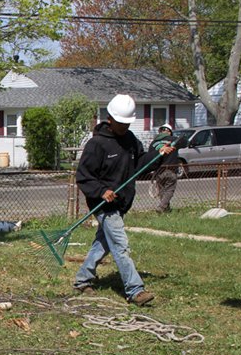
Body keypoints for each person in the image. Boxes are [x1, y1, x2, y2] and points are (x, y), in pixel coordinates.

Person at [72, 94, 173, 306]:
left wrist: (160, 155)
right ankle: (135, 290)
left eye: (128, 123)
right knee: (120, 245)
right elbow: (83, 176)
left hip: (123, 201)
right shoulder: (96, 144)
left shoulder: (130, 141)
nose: (124, 127)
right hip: (104, 203)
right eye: (121, 123)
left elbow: (140, 164)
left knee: (103, 243)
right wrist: (101, 191)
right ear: (110, 118)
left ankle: (83, 279)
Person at [150, 123, 179, 213]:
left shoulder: (154, 142)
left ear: (160, 131)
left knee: (162, 191)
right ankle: (162, 207)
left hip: (159, 171)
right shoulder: (175, 140)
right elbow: (186, 143)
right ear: (170, 132)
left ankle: (167, 209)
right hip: (171, 169)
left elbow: (149, 156)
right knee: (169, 190)